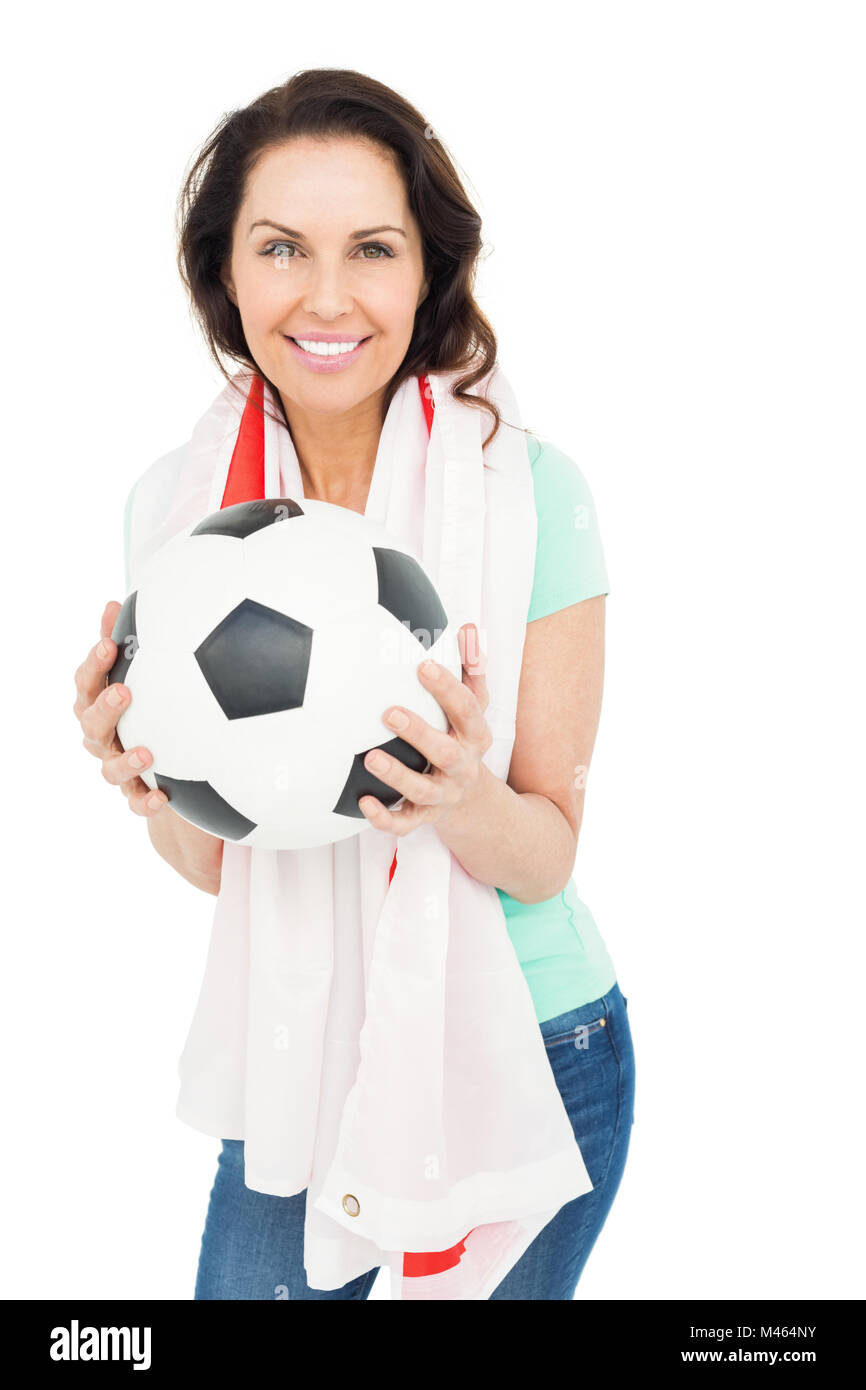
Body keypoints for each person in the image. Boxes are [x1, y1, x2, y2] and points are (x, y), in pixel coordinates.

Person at [73, 68, 635, 1300]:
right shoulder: (174, 517)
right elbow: (215, 855)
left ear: (426, 271)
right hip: (295, 1067)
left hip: (533, 1049)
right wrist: (146, 781)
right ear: (225, 270)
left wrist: (457, 795)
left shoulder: (530, 491)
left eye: (371, 249)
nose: (326, 298)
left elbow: (543, 855)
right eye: (280, 248)